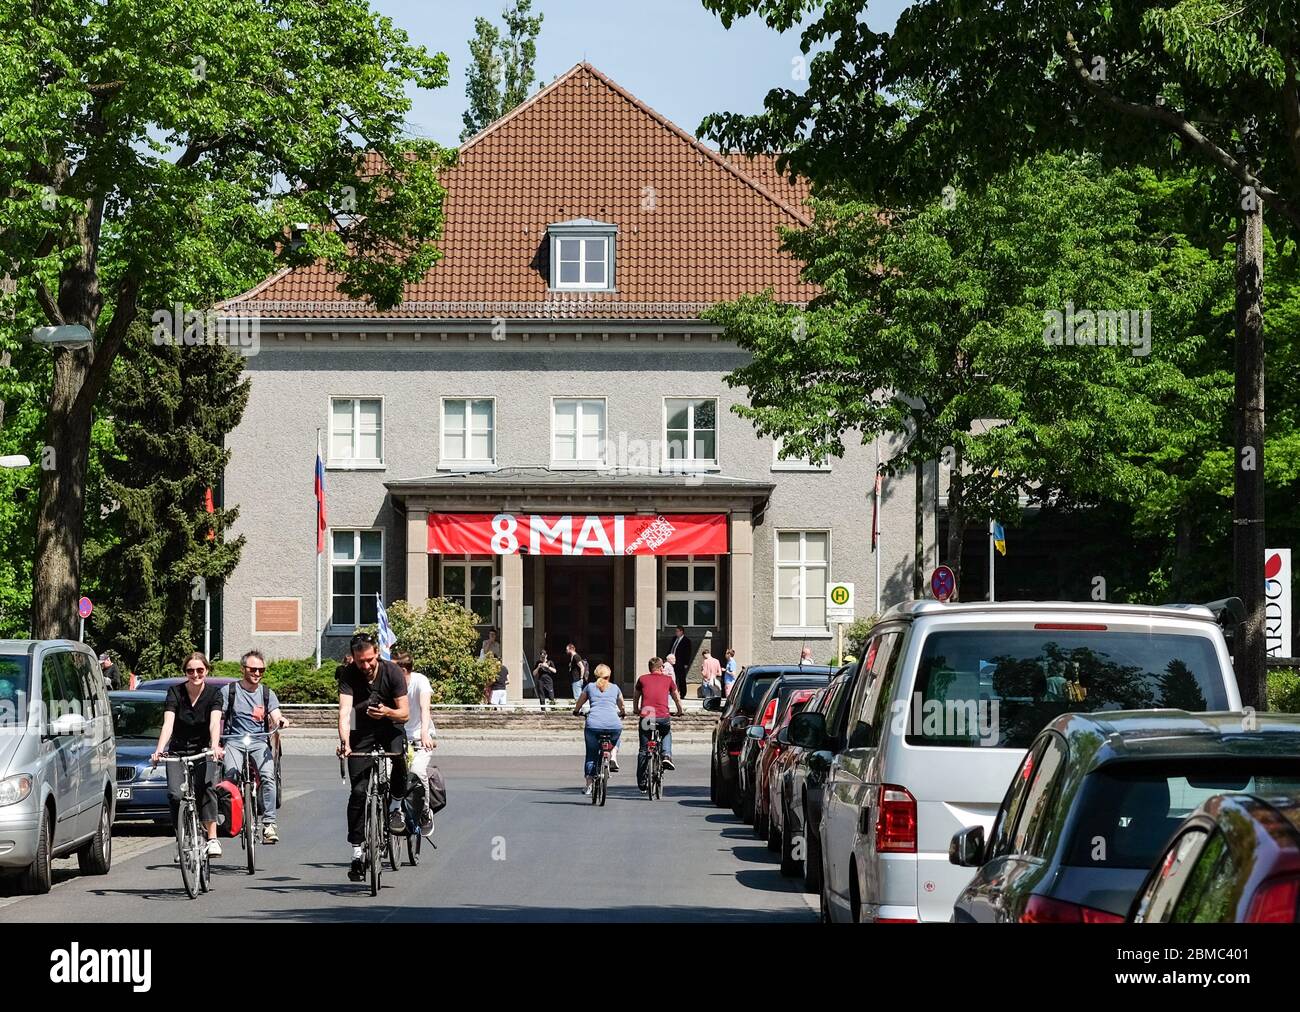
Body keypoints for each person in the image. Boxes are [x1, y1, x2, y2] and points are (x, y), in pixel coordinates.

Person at [336, 632, 410, 882]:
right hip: (360, 729)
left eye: (369, 659)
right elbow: (345, 712)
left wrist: (388, 711)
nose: (365, 665)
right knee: (358, 792)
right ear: (354, 659)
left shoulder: (393, 672)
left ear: (377, 653)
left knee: (399, 756)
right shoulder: (348, 674)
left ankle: (396, 807)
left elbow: (405, 714)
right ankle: (357, 852)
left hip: (390, 724)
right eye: (360, 661)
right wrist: (344, 742)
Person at [150, 652, 225, 859]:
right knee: (175, 795)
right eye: (190, 670)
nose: (195, 674)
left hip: (203, 750)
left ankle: (212, 838)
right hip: (178, 750)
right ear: (185, 672)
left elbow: (214, 722)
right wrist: (159, 750)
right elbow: (168, 723)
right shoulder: (175, 692)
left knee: (207, 787)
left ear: (206, 671)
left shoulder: (213, 694)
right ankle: (182, 839)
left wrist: (214, 745)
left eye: (200, 670)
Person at [219, 650, 288, 843]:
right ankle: (232, 817)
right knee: (229, 778)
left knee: (268, 776)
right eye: (253, 669)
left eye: (261, 670)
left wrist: (281, 720)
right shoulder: (229, 691)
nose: (257, 673)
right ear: (243, 669)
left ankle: (269, 824)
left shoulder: (267, 693)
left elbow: (275, 714)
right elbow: (217, 715)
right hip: (234, 741)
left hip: (259, 741)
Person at [393, 650, 436, 834]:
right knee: (387, 773)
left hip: (419, 735)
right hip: (397, 736)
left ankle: (425, 810)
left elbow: (425, 708)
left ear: (403, 670)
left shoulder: (420, 681)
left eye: (394, 668)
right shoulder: (391, 683)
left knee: (417, 771)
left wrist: (425, 734)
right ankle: (394, 812)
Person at [573, 663, 624, 794]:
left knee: (591, 754)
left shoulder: (590, 687)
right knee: (617, 735)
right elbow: (621, 705)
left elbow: (580, 701)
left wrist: (576, 711)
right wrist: (622, 713)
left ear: (596, 675)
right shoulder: (615, 688)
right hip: (613, 725)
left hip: (593, 725)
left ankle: (589, 784)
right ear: (609, 675)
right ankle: (613, 755)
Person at [634, 657, 683, 791]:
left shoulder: (642, 679)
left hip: (647, 717)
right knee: (666, 733)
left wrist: (636, 709)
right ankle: (666, 755)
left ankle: (642, 781)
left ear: (650, 668)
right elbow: (676, 697)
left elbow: (636, 695)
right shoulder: (668, 680)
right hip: (662, 717)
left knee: (644, 750)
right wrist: (680, 711)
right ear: (661, 667)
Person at [668, 626, 692, 696]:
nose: (676, 633)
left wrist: (686, 663)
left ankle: (682, 693)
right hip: (672, 661)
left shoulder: (686, 641)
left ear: (681, 632)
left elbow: (688, 652)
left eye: (677, 631)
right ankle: (673, 692)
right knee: (672, 677)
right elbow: (671, 649)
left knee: (681, 678)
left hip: (680, 662)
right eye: (676, 631)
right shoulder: (674, 639)